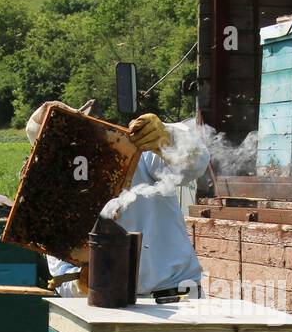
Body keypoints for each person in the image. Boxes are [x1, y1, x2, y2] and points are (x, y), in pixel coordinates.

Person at [25, 102, 210, 300]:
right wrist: (80, 284)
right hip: (113, 307)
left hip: (178, 298)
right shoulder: (52, 205)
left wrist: (168, 139)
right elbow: (62, 277)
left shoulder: (136, 153)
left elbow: (195, 166)